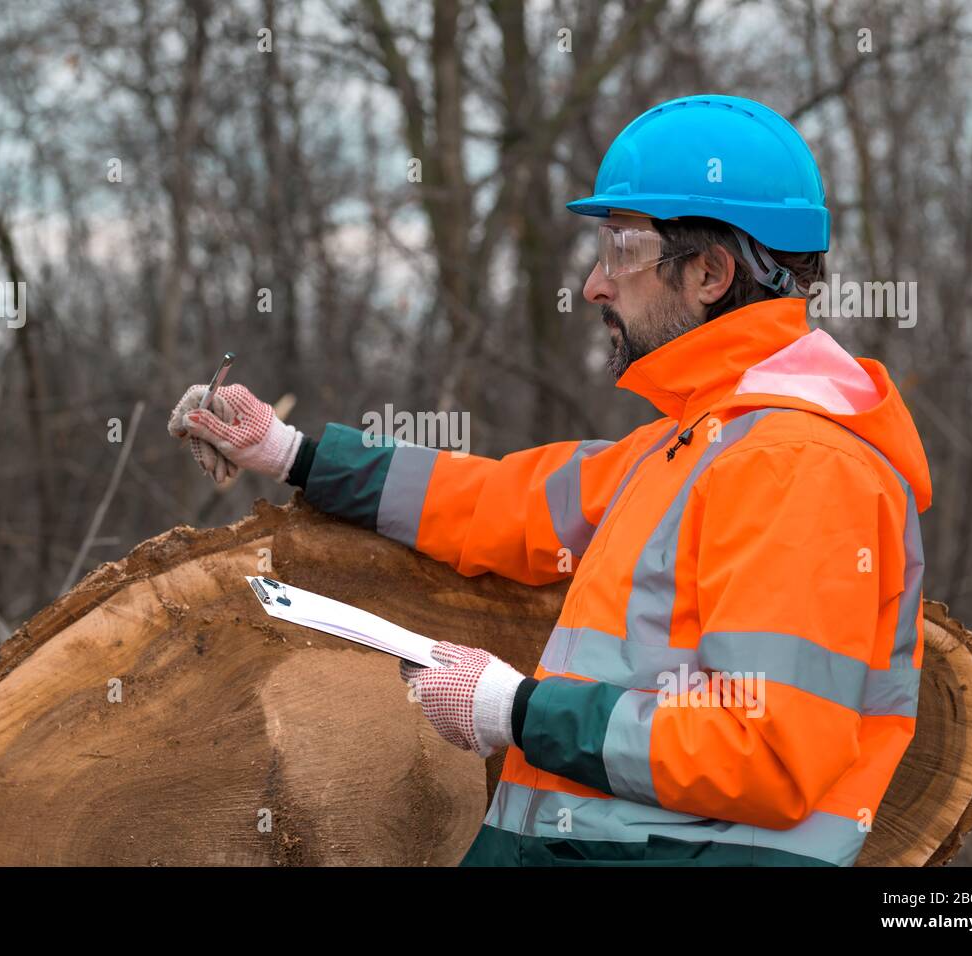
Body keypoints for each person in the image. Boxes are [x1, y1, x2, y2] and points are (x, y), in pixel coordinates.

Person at [167, 94, 930, 867]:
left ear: (709, 272)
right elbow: (499, 504)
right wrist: (289, 451)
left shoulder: (796, 467)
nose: (597, 285)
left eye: (622, 250)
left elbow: (763, 748)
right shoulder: (687, 446)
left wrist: (517, 710)